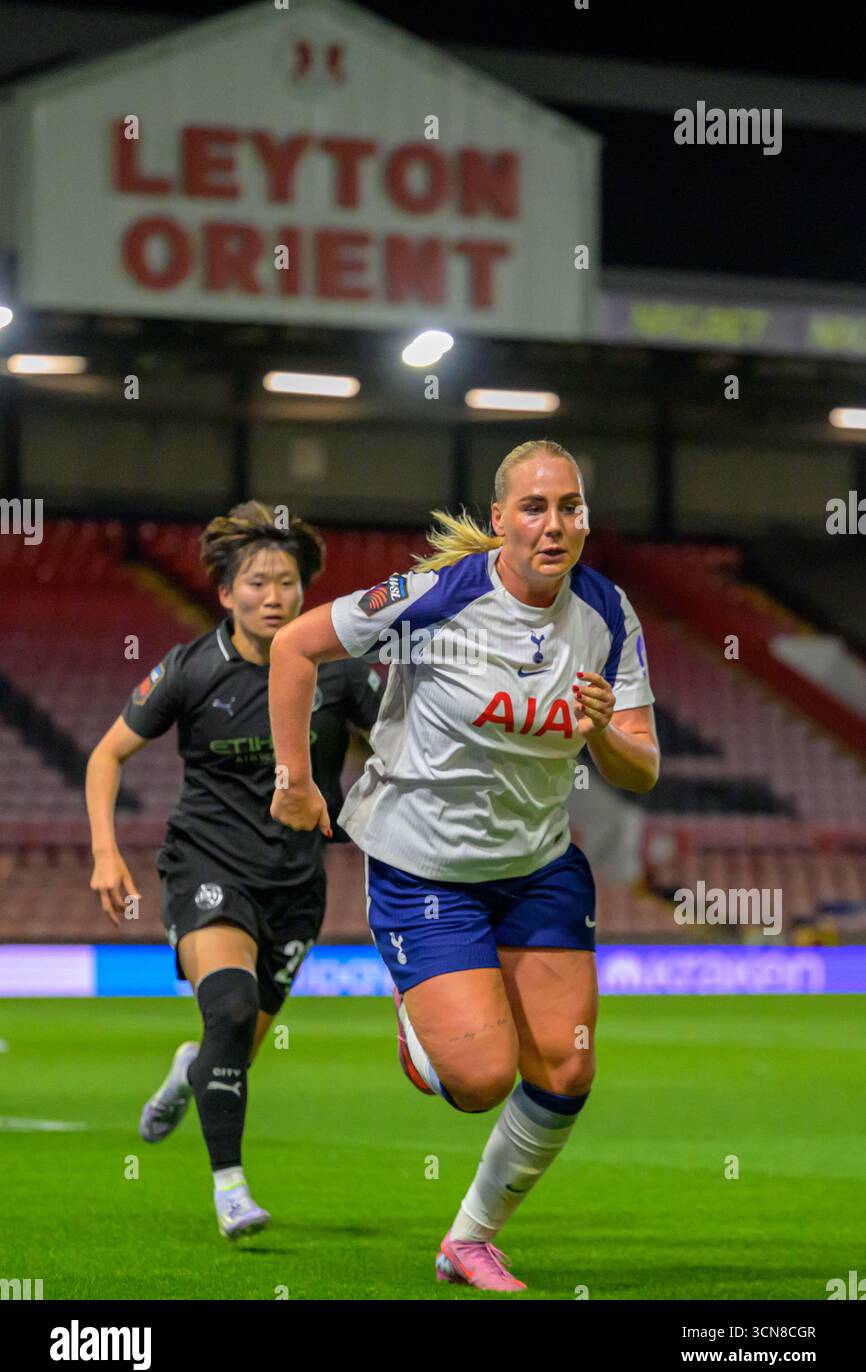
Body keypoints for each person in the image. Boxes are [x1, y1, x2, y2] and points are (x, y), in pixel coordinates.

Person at [268, 439, 660, 1292]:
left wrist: (599, 730)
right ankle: (425, 1031)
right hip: (424, 869)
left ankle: (470, 1239)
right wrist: (296, 781)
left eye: (570, 507)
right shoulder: (436, 595)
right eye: (534, 507)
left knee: (567, 1066)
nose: (554, 525)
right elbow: (294, 647)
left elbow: (642, 767)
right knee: (481, 1080)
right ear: (499, 522)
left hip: (539, 864)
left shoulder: (608, 613)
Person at [86, 502, 382, 1240]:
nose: (273, 596)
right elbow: (105, 755)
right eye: (256, 582)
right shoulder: (191, 669)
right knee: (229, 1011)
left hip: (297, 884)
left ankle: (194, 1065)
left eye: (286, 582)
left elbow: (400, 747)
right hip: (207, 867)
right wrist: (104, 850)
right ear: (226, 593)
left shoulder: (338, 677)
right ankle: (230, 1189)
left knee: (231, 1047)